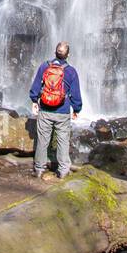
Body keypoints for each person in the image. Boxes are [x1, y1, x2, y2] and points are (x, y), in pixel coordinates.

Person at [29, 41, 82, 180]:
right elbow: (75, 94)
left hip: (45, 109)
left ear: (55, 53)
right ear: (68, 55)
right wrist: (76, 109)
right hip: (63, 111)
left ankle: (39, 169)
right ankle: (63, 171)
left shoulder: (45, 66)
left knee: (42, 140)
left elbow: (36, 86)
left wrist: (34, 100)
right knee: (63, 141)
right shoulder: (71, 71)